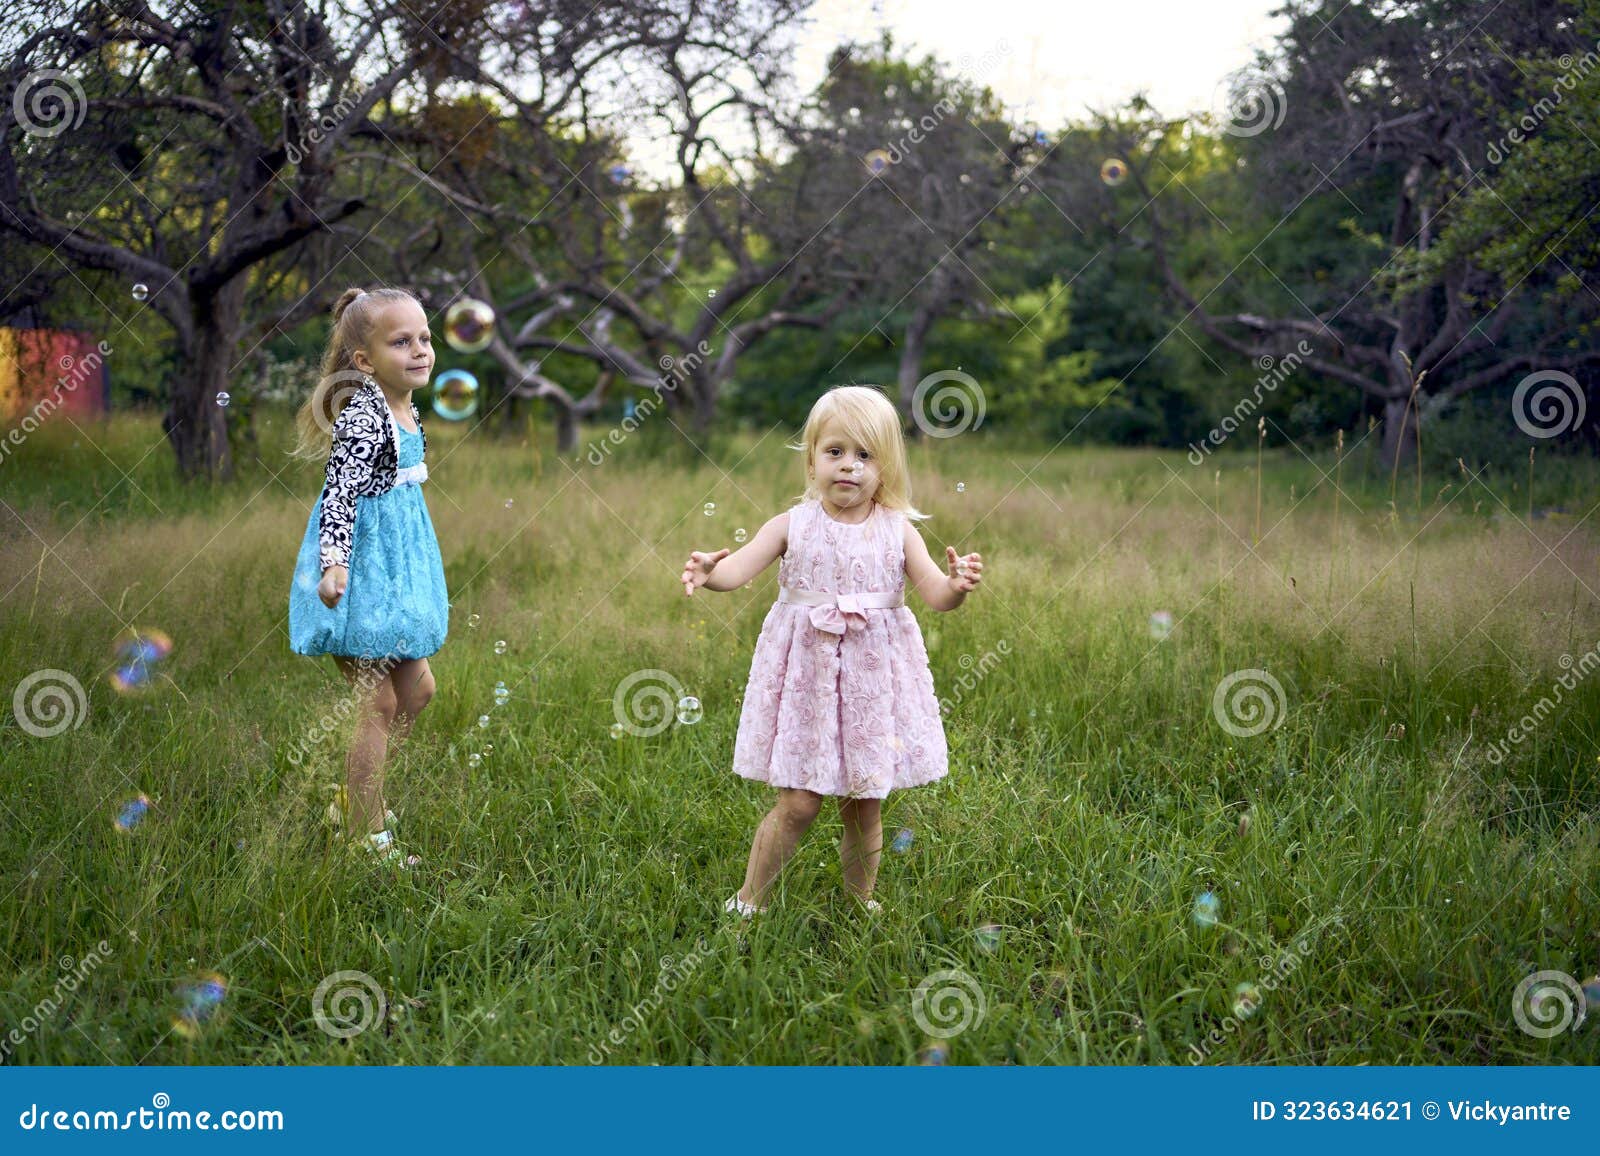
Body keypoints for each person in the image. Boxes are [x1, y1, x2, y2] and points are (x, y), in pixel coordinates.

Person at [680, 385, 984, 915]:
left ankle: (859, 904)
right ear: (812, 458)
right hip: (807, 683)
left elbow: (936, 595)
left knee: (864, 805)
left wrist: (957, 586)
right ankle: (749, 902)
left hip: (871, 686)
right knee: (797, 803)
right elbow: (737, 570)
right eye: (835, 452)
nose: (849, 466)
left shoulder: (898, 532)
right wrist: (711, 574)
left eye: (865, 455)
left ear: (885, 466)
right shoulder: (791, 525)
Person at [288, 287, 449, 868]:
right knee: (377, 701)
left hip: (398, 568)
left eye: (425, 339)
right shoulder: (364, 414)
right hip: (358, 567)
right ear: (364, 360)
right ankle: (366, 836)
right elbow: (340, 494)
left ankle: (356, 798)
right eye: (401, 341)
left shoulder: (406, 405)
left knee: (419, 690)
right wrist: (334, 566)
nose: (420, 350)